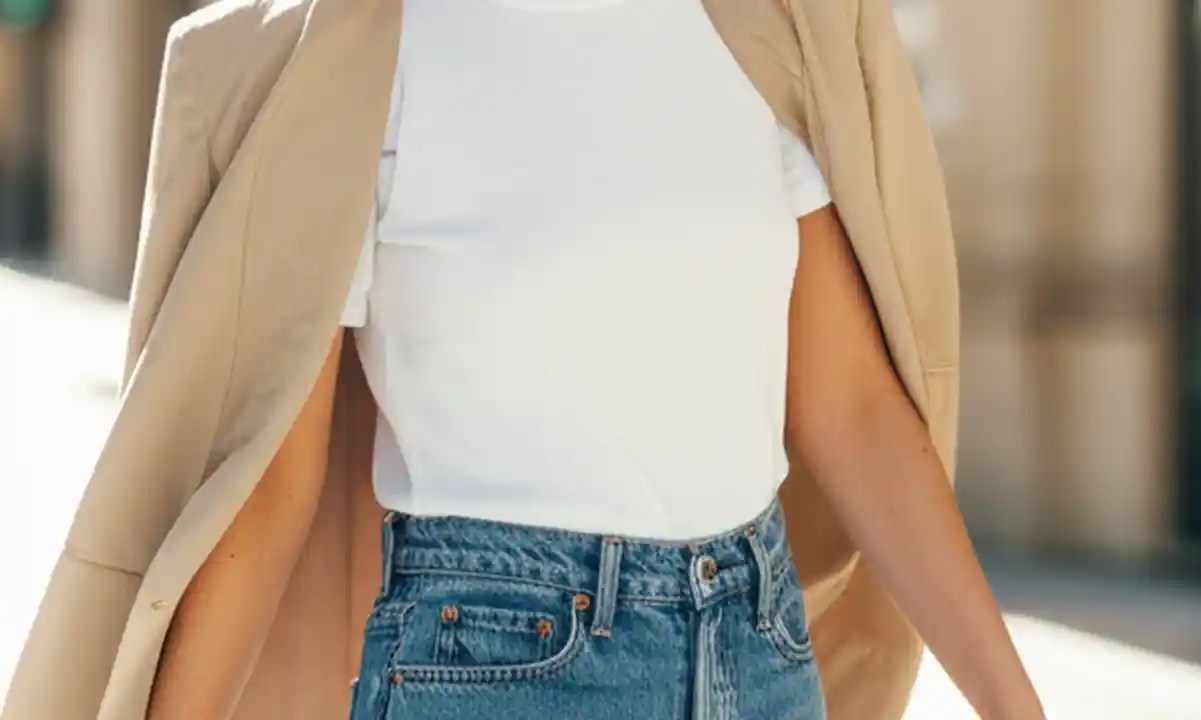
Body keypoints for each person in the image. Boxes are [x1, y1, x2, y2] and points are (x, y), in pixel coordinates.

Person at [3, 1, 1044, 719]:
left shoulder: (756, 32)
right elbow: (268, 484)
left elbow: (851, 409)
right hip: (494, 662)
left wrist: (1008, 700)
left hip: (754, 652)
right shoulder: (366, 57)